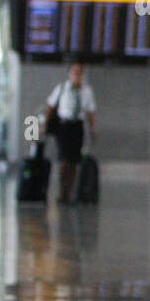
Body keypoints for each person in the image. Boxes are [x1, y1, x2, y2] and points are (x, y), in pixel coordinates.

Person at [43, 62, 97, 205]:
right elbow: (50, 106)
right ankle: (62, 190)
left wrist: (92, 130)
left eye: (79, 72)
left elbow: (90, 111)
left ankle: (70, 190)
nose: (76, 74)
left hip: (77, 127)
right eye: (74, 71)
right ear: (69, 73)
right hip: (63, 126)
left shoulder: (87, 91)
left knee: (74, 160)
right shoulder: (61, 89)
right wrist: (43, 124)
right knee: (64, 159)